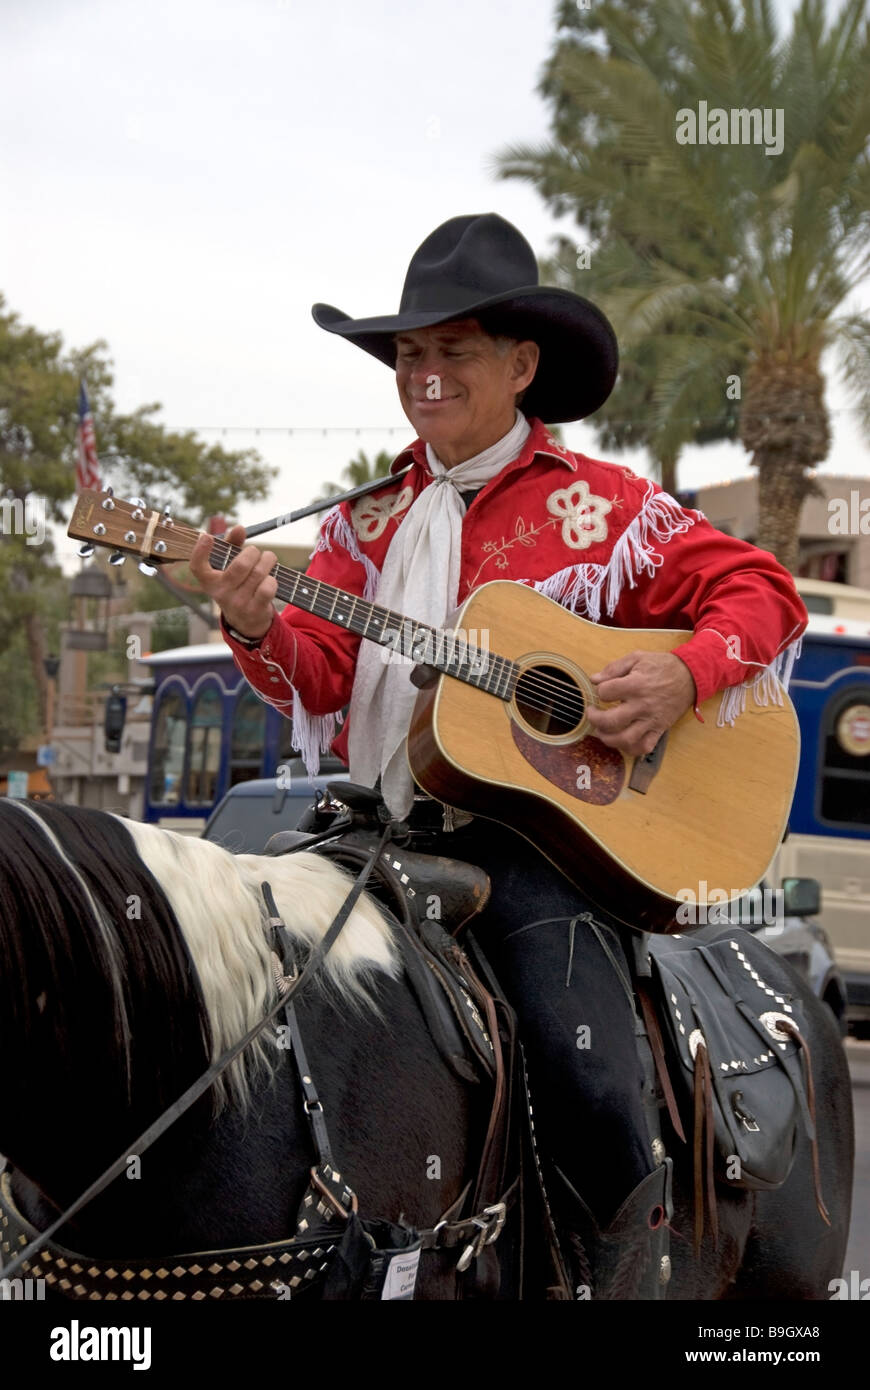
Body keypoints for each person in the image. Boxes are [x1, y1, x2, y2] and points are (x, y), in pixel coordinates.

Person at [190, 213, 807, 1298]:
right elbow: (321, 674)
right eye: (408, 356)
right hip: (374, 827)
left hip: (545, 854)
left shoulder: (607, 509)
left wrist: (682, 675)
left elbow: (764, 593)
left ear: (522, 365)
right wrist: (253, 622)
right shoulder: (367, 518)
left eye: (452, 351)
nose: (424, 376)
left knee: (591, 1077)